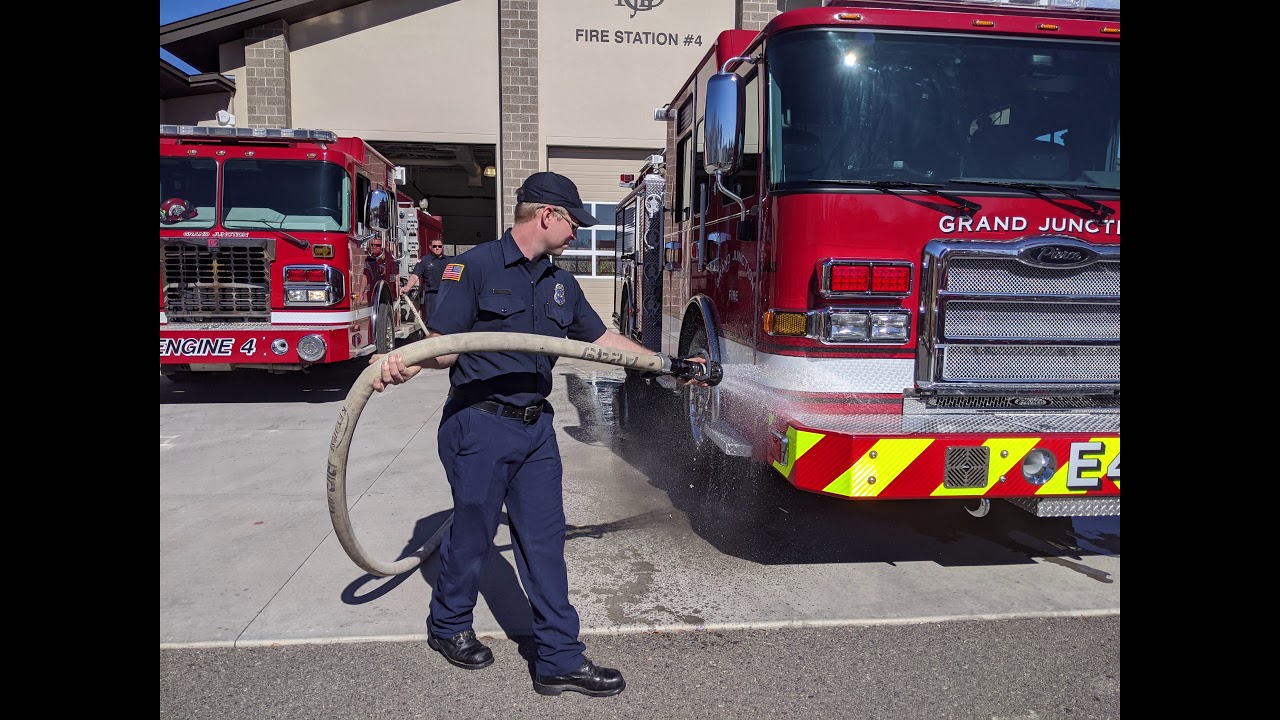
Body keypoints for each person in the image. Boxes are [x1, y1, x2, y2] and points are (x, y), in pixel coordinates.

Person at [370, 171, 705, 698]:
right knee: (474, 532)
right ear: (547, 215)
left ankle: (558, 660)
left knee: (545, 543)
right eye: (573, 223)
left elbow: (604, 341)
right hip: (478, 423)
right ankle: (449, 624)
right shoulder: (473, 267)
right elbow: (447, 346)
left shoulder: (561, 284)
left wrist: (670, 365)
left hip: (535, 431)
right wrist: (407, 363)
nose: (577, 234)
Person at [402, 237, 453, 323]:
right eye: (435, 246)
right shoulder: (424, 261)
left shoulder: (450, 260)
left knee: (448, 320)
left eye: (439, 246)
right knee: (433, 321)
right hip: (432, 295)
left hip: (447, 295)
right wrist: (407, 287)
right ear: (430, 247)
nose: (437, 248)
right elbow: (415, 275)